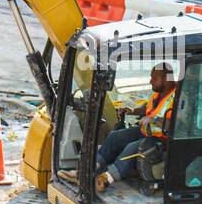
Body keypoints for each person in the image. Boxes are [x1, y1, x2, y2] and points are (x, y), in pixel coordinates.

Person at [61, 62, 179, 194]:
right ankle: (84, 173)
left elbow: (178, 123)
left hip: (163, 139)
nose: (150, 81)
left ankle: (104, 179)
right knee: (114, 138)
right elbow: (149, 108)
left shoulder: (179, 96)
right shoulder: (159, 92)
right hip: (146, 131)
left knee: (132, 148)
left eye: (154, 78)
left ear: (167, 79)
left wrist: (154, 120)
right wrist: (132, 110)